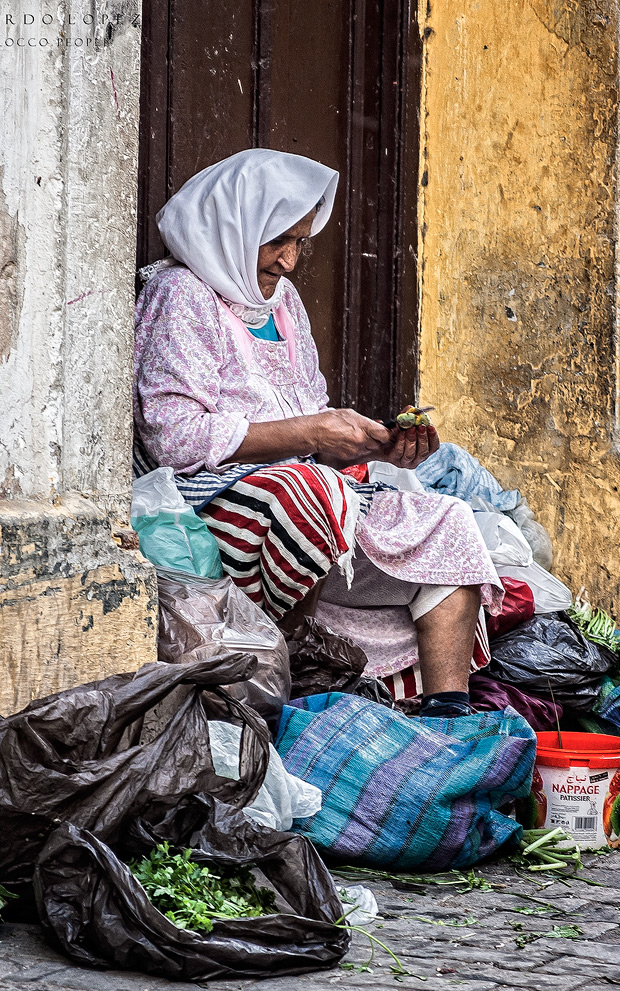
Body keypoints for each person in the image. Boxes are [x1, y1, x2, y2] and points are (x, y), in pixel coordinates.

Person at [134, 149, 502, 718]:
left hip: (308, 504)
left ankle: (446, 720)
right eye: (277, 239)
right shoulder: (180, 295)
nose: (289, 261)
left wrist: (378, 447)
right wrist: (311, 433)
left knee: (448, 520)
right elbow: (173, 439)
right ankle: (284, 673)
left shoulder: (285, 305)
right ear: (233, 226)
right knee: (313, 493)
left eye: (301, 242)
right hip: (210, 503)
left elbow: (311, 423)